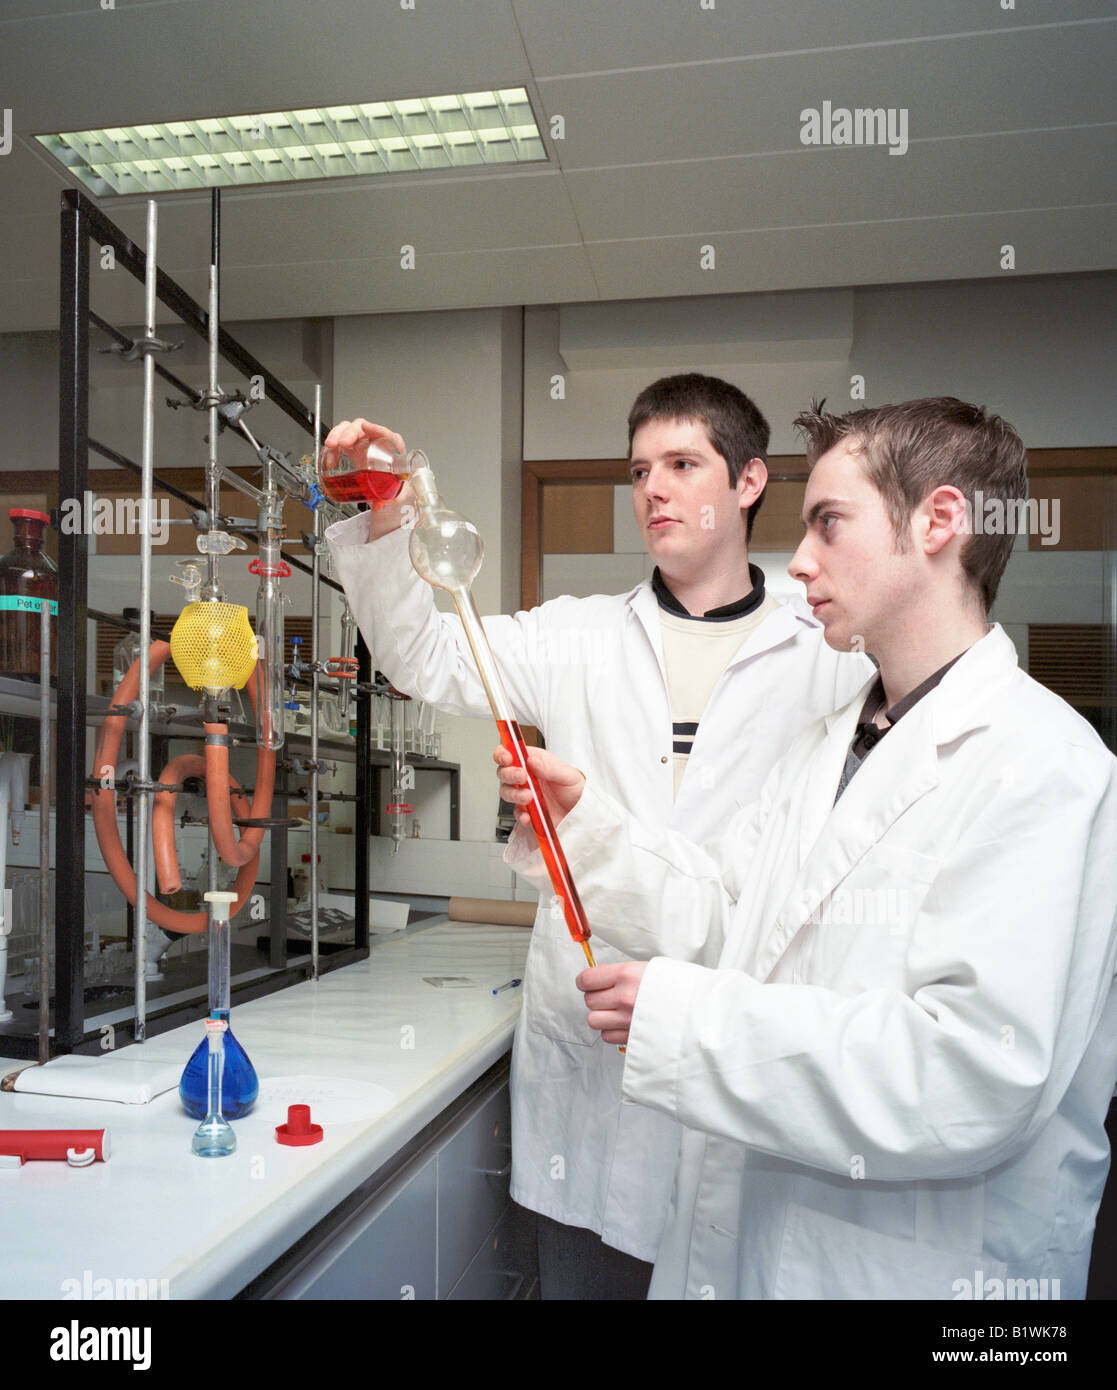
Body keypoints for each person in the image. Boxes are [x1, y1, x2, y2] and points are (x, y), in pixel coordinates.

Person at [497, 396, 1117, 1300]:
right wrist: (584, 826)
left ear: (940, 521)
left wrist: (687, 1026)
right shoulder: (830, 744)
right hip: (753, 1245)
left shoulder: (1041, 763)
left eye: (830, 524)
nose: (796, 561)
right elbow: (724, 913)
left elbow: (973, 1072)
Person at [324, 375, 872, 1298]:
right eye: (638, 470)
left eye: (681, 464)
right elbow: (422, 656)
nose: (652, 488)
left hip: (731, 1033)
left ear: (747, 482)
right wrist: (385, 516)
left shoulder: (826, 644)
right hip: (590, 1040)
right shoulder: (575, 635)